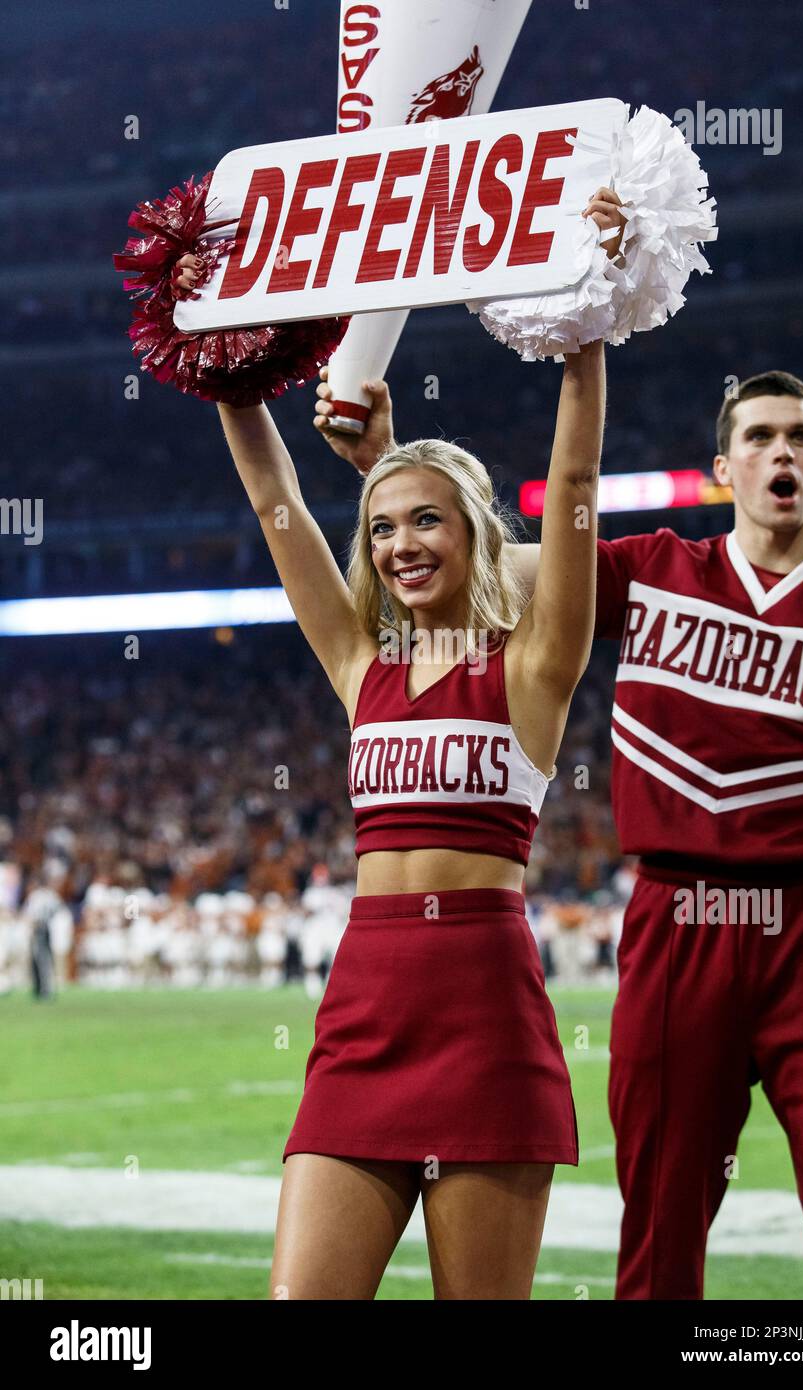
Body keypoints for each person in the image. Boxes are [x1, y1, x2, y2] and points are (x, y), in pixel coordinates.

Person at [323, 295, 803, 1299]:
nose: (780, 450)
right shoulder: (655, 569)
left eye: (801, 435)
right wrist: (395, 469)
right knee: (656, 1221)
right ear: (725, 467)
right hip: (677, 911)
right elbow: (470, 561)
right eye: (757, 434)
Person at [204, 189, 625, 1300]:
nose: (397, 544)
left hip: (485, 1019)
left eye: (425, 518)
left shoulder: (530, 671)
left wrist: (584, 329)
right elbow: (269, 491)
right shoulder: (359, 666)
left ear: (475, 531)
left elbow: (574, 490)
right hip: (362, 1014)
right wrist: (220, 352)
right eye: (382, 526)